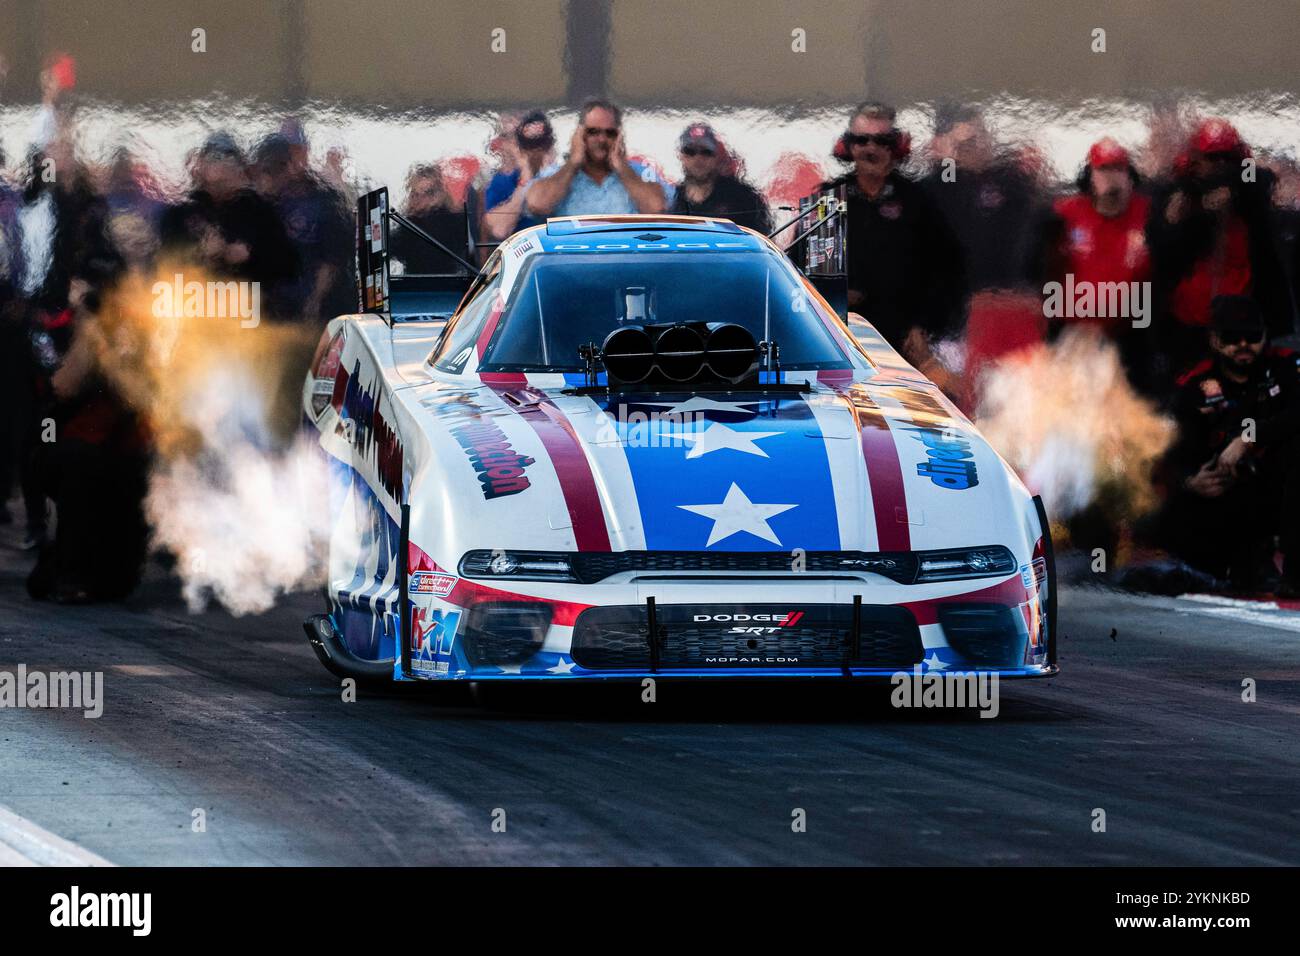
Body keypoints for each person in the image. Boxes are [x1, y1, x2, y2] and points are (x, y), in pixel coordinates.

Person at [1154, 295, 1300, 592]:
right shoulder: (1194, 386)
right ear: (1216, 340)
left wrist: (1250, 437)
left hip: (1279, 489)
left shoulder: (1286, 366)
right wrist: (1188, 481)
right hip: (1220, 495)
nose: (1244, 344)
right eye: (1233, 337)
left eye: (1252, 336)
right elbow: (1164, 449)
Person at [819, 102, 965, 366]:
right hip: (842, 339)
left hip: (904, 343)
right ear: (849, 146)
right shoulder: (829, 199)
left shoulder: (918, 202)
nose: (871, 149)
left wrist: (925, 327)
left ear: (896, 147)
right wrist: (839, 295)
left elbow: (947, 273)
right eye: (862, 140)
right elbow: (806, 272)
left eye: (881, 141)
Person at [1147, 118, 1289, 384]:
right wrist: (1195, 211)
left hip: (1239, 327)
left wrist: (1233, 193)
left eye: (1227, 158)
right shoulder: (1178, 198)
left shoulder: (1250, 198)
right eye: (1213, 158)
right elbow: (1161, 249)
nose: (1221, 166)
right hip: (1188, 326)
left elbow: (1261, 181)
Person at [1033, 138, 1153, 385]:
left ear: (1130, 176)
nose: (1112, 178)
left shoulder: (1149, 214)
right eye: (1104, 170)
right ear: (1090, 176)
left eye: (1119, 169)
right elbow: (1038, 267)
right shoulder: (1065, 213)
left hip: (1129, 338)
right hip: (1074, 337)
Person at [159, 133, 298, 297]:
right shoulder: (180, 212)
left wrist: (251, 255)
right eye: (212, 156)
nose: (219, 162)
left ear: (239, 166)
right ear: (200, 164)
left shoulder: (260, 211)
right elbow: (164, 266)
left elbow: (289, 268)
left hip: (247, 311)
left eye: (227, 156)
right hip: (195, 308)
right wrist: (201, 255)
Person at [252, 132, 353, 324]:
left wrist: (314, 300)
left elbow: (332, 260)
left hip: (318, 307)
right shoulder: (267, 204)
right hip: (275, 306)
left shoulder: (324, 200)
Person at [524, 98, 666, 218]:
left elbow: (657, 209)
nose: (602, 139)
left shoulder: (639, 173)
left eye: (610, 133)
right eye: (593, 132)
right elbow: (537, 204)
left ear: (619, 136)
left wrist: (622, 168)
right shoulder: (556, 174)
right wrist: (573, 163)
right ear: (579, 134)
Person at [669, 122, 771, 232]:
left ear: (717, 157)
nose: (698, 158)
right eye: (690, 151)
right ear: (680, 156)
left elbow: (762, 242)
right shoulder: (671, 198)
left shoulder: (742, 198)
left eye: (706, 152)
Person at [483, 110, 556, 242]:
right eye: (511, 136)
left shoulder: (561, 175)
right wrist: (525, 178)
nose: (518, 143)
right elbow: (500, 230)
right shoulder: (501, 182)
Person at [388, 163, 473, 274]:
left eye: (427, 192)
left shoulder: (457, 223)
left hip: (452, 286)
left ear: (438, 195)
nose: (418, 199)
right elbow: (389, 249)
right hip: (415, 288)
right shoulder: (408, 225)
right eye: (414, 193)